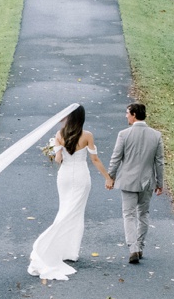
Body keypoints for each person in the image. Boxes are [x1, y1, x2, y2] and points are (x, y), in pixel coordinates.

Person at [28, 105, 113, 281]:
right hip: (81, 177)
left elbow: (59, 160)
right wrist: (108, 177)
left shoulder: (59, 135)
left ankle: (62, 249)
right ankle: (65, 250)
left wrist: (55, 150)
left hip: (64, 177)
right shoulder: (87, 135)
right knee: (75, 213)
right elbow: (95, 159)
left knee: (65, 209)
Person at [106, 102, 164, 264]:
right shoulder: (156, 135)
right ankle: (140, 246)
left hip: (128, 181)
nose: (126, 116)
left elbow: (116, 158)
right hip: (147, 181)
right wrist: (160, 183)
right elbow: (159, 162)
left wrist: (110, 176)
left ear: (133, 115)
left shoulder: (124, 134)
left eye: (127, 113)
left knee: (129, 214)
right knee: (143, 214)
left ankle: (133, 247)